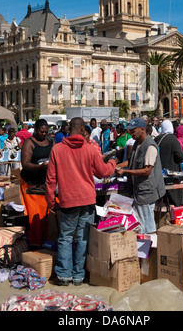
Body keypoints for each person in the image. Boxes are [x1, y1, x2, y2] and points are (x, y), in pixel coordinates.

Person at [45, 117, 116, 286]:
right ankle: (78, 275)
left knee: (66, 237)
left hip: (68, 200)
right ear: (83, 131)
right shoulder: (90, 150)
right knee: (83, 238)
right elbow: (103, 171)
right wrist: (113, 162)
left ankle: (63, 275)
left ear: (68, 129)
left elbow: (50, 180)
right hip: (87, 200)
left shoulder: (57, 149)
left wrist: (50, 201)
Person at [116, 118, 166, 235]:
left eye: (133, 131)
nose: (131, 134)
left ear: (142, 130)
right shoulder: (137, 144)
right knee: (142, 221)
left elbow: (146, 171)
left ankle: (151, 248)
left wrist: (125, 172)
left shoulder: (150, 146)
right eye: (130, 131)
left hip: (146, 191)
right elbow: (131, 161)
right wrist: (118, 165)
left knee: (147, 224)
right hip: (138, 189)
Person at [20, 119, 54, 247]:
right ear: (35, 130)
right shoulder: (29, 143)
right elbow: (25, 164)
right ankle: (34, 242)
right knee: (34, 215)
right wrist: (40, 167)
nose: (44, 134)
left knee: (47, 214)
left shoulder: (50, 140)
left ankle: (46, 240)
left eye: (46, 132)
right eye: (42, 132)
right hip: (30, 183)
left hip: (45, 182)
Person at [154, 119, 183, 207]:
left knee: (163, 200)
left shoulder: (157, 139)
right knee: (175, 199)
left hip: (159, 172)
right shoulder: (173, 139)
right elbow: (180, 156)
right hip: (172, 173)